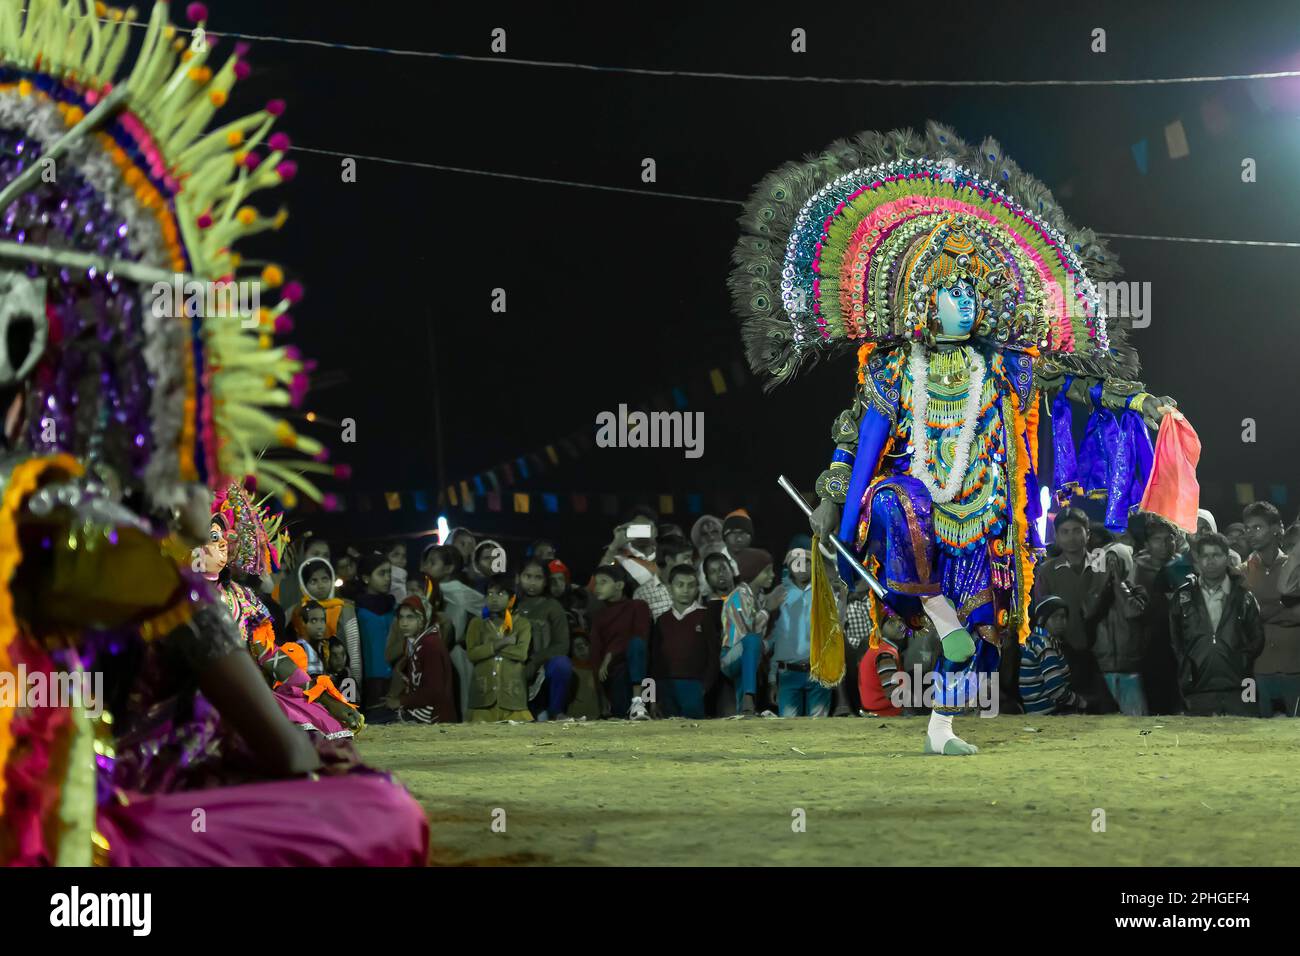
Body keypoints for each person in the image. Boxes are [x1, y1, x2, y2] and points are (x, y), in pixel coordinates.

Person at [0, 0, 427, 865]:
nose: (212, 506)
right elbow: (285, 750)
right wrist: (303, 758)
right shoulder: (114, 548)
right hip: (58, 846)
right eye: (198, 478)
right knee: (376, 812)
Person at [738, 123, 1182, 755]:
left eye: (973, 291)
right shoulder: (892, 368)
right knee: (895, 503)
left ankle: (941, 729)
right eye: (952, 291)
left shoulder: (1006, 364)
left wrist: (1142, 401)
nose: (965, 302)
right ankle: (933, 616)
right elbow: (855, 441)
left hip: (982, 517)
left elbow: (1077, 387)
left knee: (975, 646)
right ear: (924, 297)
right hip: (916, 509)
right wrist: (836, 499)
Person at [1170, 533, 1265, 716]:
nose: (1210, 561)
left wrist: (1241, 660)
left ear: (1227, 557)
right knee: (1200, 741)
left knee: (1246, 739)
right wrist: (1188, 666)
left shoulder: (1243, 596)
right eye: (1205, 556)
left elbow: (1257, 638)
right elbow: (1176, 640)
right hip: (1198, 685)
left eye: (1216, 555)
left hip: (1240, 685)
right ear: (1197, 559)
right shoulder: (1183, 598)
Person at [1035, 508, 1109, 711]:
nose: (1071, 537)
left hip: (1101, 653)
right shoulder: (1047, 571)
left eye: (1077, 530)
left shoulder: (1101, 563)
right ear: (1057, 537)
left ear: (1088, 534)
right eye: (1065, 532)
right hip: (1062, 653)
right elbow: (1041, 614)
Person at [1241, 502, 1300, 716]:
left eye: (1257, 527)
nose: (1250, 533)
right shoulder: (1242, 572)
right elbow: (1247, 618)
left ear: (1276, 528)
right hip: (1258, 669)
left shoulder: (1294, 568)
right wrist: (1284, 606)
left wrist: (1265, 612)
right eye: (1247, 528)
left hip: (1295, 666)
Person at [1083, 543, 1150, 715]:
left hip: (1131, 673)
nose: (1111, 566)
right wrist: (1102, 584)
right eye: (1108, 561)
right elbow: (1088, 612)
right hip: (1102, 672)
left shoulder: (1138, 592)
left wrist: (1118, 583)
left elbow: (1131, 611)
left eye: (1116, 562)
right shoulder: (1094, 591)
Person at [420, 543, 483, 719]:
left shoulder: (458, 590)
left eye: (432, 563)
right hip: (435, 652)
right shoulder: (429, 590)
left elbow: (486, 607)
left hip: (454, 653)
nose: (425, 567)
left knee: (459, 698)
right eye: (426, 562)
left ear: (449, 568)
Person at [650, 565, 721, 718]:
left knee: (692, 734)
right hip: (665, 685)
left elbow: (714, 656)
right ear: (669, 588)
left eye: (691, 585)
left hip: (694, 684)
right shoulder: (662, 620)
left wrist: (704, 687)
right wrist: (651, 699)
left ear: (697, 589)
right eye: (680, 585)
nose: (685, 590)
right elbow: (653, 661)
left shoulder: (705, 616)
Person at [768, 547, 831, 717]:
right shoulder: (779, 594)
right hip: (788, 673)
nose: (802, 566)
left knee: (819, 729)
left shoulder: (824, 592)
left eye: (807, 562)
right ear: (789, 567)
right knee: (788, 729)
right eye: (797, 562)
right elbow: (774, 637)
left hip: (818, 672)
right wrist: (772, 680)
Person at [589, 563, 654, 719]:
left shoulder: (637, 606)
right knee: (621, 720)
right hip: (615, 676)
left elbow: (641, 637)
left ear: (619, 585)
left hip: (643, 676)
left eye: (603, 582)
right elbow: (596, 656)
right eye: (596, 583)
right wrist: (601, 695)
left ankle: (639, 702)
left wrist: (611, 654)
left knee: (636, 645)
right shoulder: (599, 616)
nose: (597, 587)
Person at [465, 575, 534, 722]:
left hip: (512, 699)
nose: (494, 599)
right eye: (489, 594)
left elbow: (521, 654)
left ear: (512, 598)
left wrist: (487, 647)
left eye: (500, 594)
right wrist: (502, 643)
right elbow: (472, 654)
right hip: (483, 699)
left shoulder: (522, 624)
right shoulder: (477, 624)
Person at [289, 556, 362, 687]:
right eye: (314, 581)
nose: (321, 585)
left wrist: (356, 682)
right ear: (304, 585)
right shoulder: (298, 612)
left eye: (325, 579)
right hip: (310, 680)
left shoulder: (345, 609)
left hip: (343, 678)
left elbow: (354, 650)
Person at [1135, 515, 1183, 715]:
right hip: (1148, 645)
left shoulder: (1185, 567)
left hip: (1183, 645)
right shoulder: (1136, 568)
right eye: (1157, 539)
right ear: (1147, 543)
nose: (1164, 544)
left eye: (1169, 538)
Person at [515, 558, 573, 720]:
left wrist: (535, 661)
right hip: (513, 663)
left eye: (538, 578)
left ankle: (556, 711)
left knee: (562, 664)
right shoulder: (510, 604)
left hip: (543, 666)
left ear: (546, 581)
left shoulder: (553, 607)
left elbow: (562, 645)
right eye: (528, 576)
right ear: (519, 577)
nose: (532, 582)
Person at [385, 594, 457, 723]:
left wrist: (400, 701)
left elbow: (433, 691)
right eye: (401, 618)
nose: (404, 623)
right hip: (421, 712)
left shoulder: (430, 645)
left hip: (434, 718)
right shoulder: (416, 643)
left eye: (410, 617)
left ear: (422, 619)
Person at [720, 548, 775, 716]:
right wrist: (767, 610)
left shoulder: (759, 596)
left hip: (749, 656)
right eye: (767, 571)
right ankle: (748, 699)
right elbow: (747, 633)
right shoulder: (738, 596)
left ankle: (745, 710)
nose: (772, 575)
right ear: (753, 572)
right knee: (752, 641)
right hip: (730, 656)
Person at [1019, 597, 1089, 714]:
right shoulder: (1045, 646)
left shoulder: (1039, 640)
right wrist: (1082, 702)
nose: (1061, 621)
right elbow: (1057, 691)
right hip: (1046, 713)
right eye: (1055, 617)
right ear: (1043, 620)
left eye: (1063, 617)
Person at [352, 552, 398, 719]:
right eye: (381, 573)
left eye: (389, 573)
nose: (387, 578)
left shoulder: (393, 606)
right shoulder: (356, 609)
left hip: (395, 675)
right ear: (366, 578)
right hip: (369, 678)